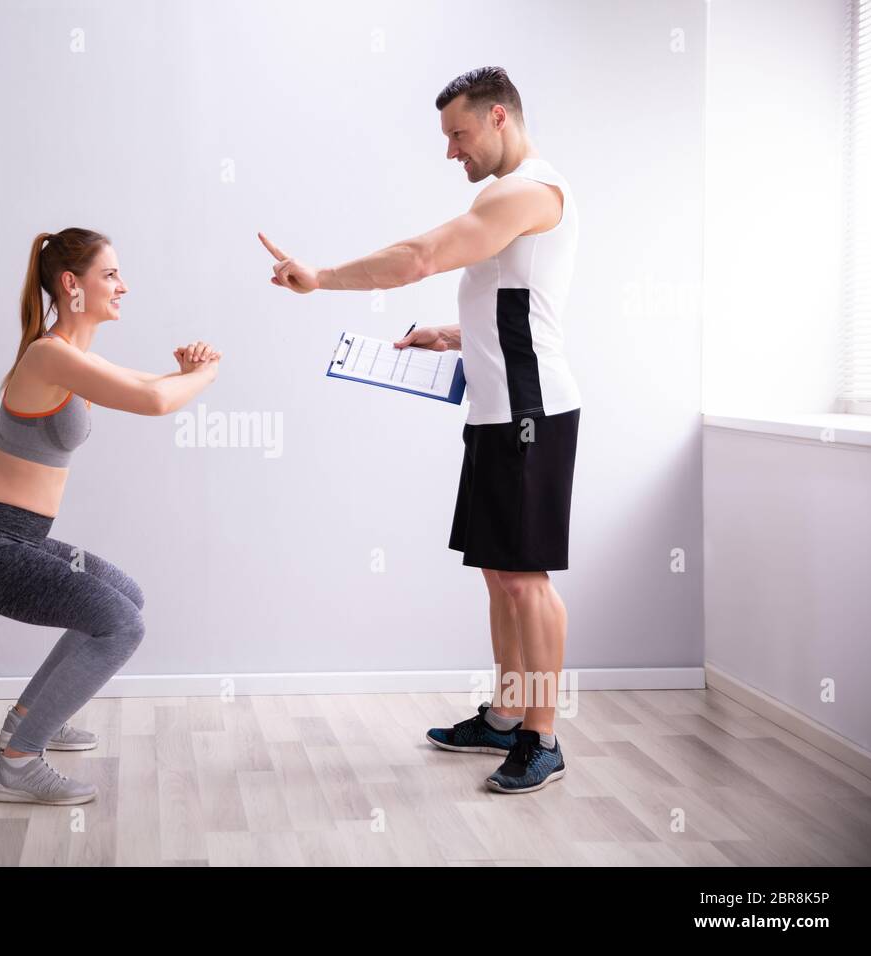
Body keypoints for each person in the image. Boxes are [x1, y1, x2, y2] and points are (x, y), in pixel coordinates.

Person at [260, 66, 580, 794]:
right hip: (497, 410)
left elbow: (421, 257)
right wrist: (450, 332)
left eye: (458, 134)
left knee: (527, 580)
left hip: (533, 415)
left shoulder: (530, 191)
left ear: (499, 117)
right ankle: (505, 716)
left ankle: (543, 736)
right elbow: (516, 303)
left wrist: (321, 277)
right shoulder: (505, 196)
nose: (451, 152)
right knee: (501, 575)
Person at [0, 227, 221, 805]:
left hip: (17, 536)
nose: (124, 285)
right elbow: (155, 402)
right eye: (111, 275)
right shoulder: (49, 356)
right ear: (73, 284)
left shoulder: (72, 359)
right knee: (122, 625)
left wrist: (188, 370)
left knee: (126, 597)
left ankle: (25, 720)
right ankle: (17, 766)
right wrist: (206, 374)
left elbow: (152, 384)